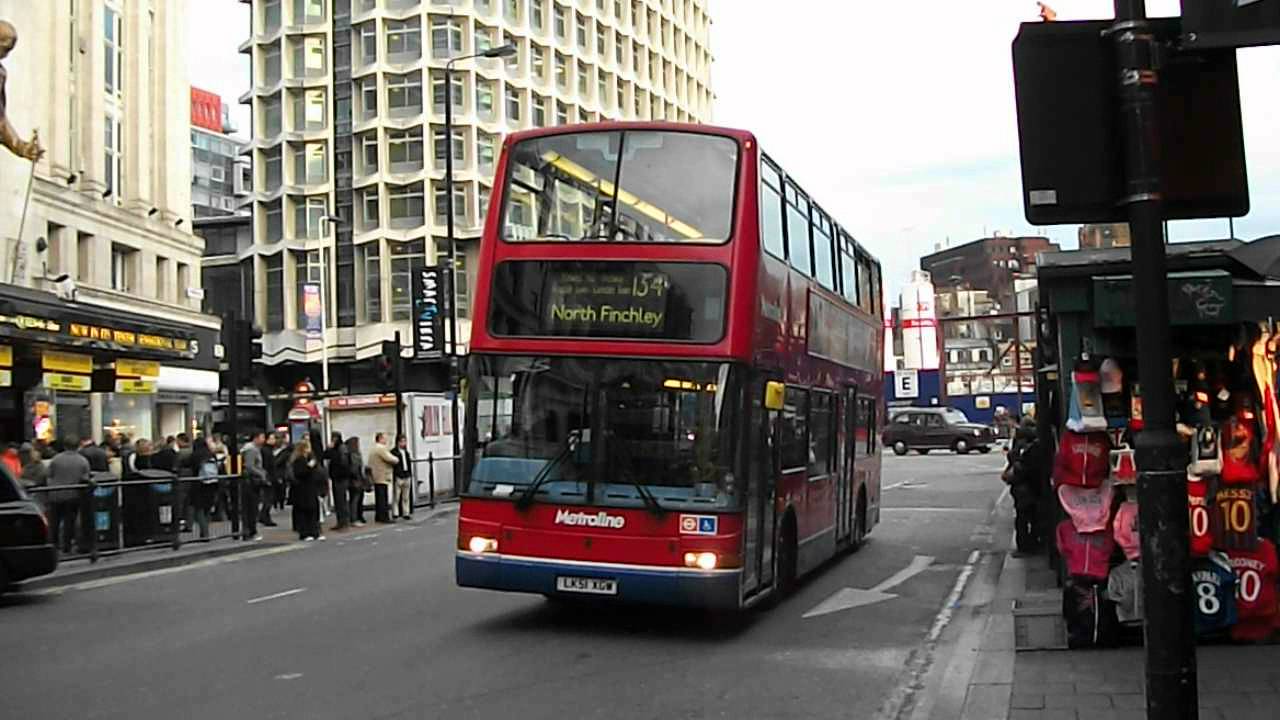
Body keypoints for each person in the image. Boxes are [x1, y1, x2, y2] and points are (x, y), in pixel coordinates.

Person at [1003, 416, 1045, 555]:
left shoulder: (1020, 449)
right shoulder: (1034, 448)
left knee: (1023, 518)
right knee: (1031, 518)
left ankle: (1025, 546)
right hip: (1029, 488)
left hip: (1021, 488)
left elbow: (1018, 466)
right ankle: (1031, 544)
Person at [47, 437, 91, 554]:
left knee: (54, 522)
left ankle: (53, 545)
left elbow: (49, 475)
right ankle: (67, 545)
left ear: (65, 446)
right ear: (78, 446)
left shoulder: (56, 459)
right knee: (69, 522)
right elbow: (85, 478)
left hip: (56, 494)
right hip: (73, 495)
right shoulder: (82, 460)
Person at [290, 438, 324, 541]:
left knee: (313, 510)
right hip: (303, 489)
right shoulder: (299, 460)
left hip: (310, 488)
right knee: (306, 511)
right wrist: (309, 467)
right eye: (308, 447)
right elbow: (300, 473)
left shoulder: (307, 458)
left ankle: (314, 532)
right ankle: (305, 533)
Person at [189, 435, 219, 540]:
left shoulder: (195, 455)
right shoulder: (211, 455)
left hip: (199, 485)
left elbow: (186, 465)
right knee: (207, 509)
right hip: (212, 484)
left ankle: (204, 533)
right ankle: (205, 532)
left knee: (199, 509)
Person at [368, 432, 399, 523]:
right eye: (385, 438)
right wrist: (397, 459)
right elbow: (391, 459)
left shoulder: (374, 448)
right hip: (382, 476)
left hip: (376, 475)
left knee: (378, 497)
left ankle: (378, 516)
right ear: (380, 439)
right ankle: (384, 517)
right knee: (382, 498)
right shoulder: (381, 448)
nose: (386, 440)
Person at [324, 432, 353, 531]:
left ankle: (344, 522)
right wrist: (329, 448)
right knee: (338, 501)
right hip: (336, 477)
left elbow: (343, 463)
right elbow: (325, 456)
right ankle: (340, 521)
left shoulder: (342, 448)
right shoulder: (335, 449)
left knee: (341, 500)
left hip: (341, 478)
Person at [346, 436, 368, 526]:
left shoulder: (352, 453)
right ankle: (354, 518)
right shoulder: (354, 454)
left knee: (356, 499)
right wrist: (359, 476)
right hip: (356, 480)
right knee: (355, 499)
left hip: (355, 479)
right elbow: (355, 468)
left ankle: (357, 517)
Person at [258, 433, 279, 527]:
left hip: (270, 476)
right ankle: (264, 516)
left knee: (269, 498)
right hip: (269, 477)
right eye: (272, 438)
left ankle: (264, 516)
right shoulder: (266, 451)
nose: (274, 440)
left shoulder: (268, 450)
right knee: (268, 498)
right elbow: (268, 465)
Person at [391, 434, 414, 519]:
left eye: (405, 441)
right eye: (402, 441)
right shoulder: (394, 452)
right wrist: (397, 474)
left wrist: (410, 474)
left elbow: (408, 464)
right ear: (398, 442)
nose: (404, 443)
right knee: (396, 496)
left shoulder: (406, 452)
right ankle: (395, 513)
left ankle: (406, 513)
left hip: (407, 475)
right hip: (399, 476)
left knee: (406, 496)